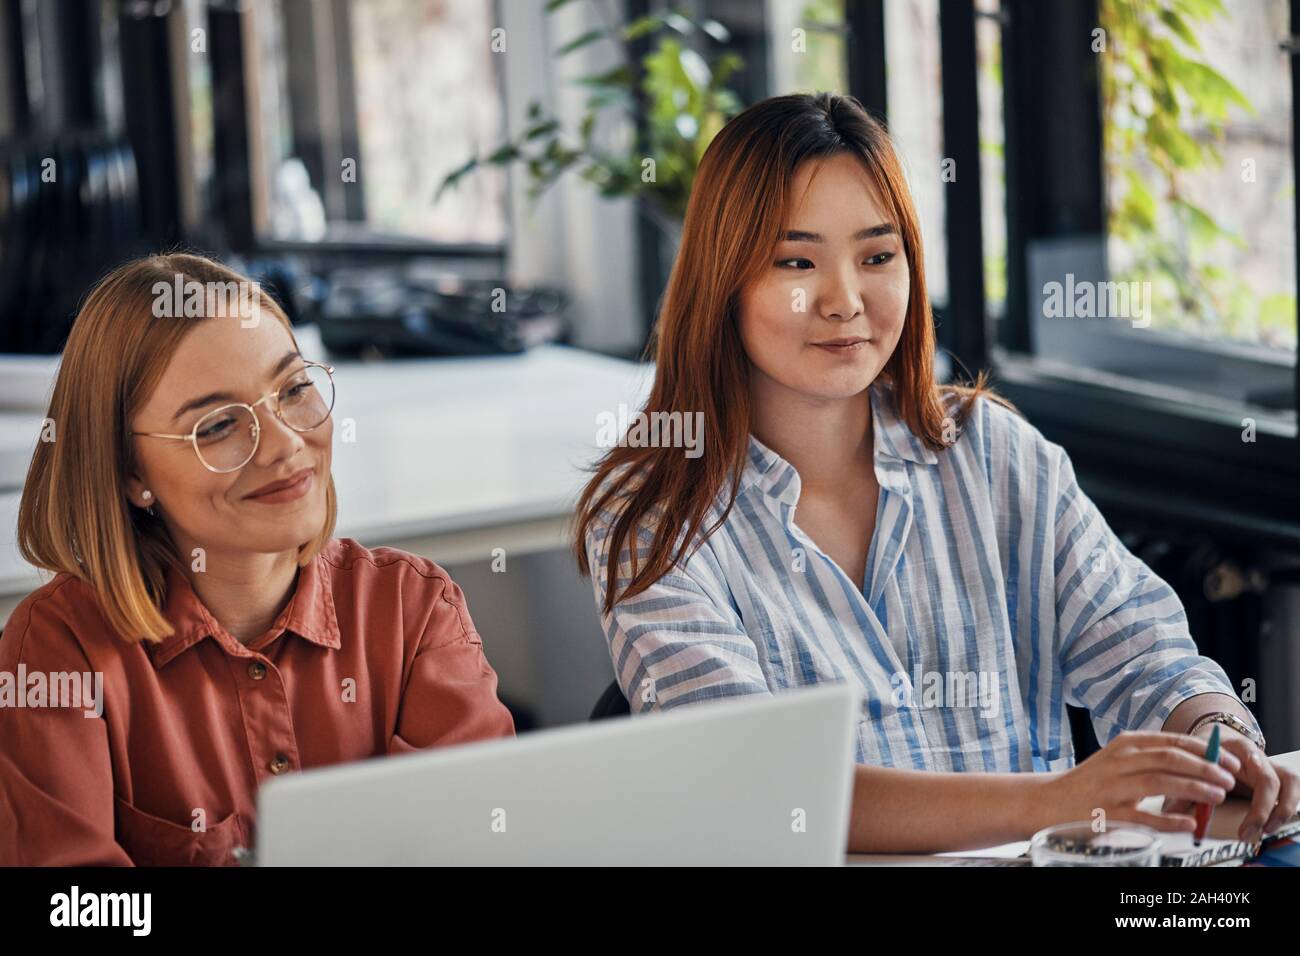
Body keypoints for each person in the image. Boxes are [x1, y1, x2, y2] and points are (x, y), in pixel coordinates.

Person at [574, 92, 1298, 854]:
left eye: (878, 257)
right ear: (725, 279)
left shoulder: (992, 452)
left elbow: (1145, 652)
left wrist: (1214, 730)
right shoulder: (655, 517)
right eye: (796, 262)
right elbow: (757, 785)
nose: (845, 300)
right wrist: (1058, 800)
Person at [1, 253, 515, 865]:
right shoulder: (58, 652)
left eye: (295, 389)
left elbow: (478, 847)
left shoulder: (414, 610)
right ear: (130, 474)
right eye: (218, 425)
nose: (284, 443)